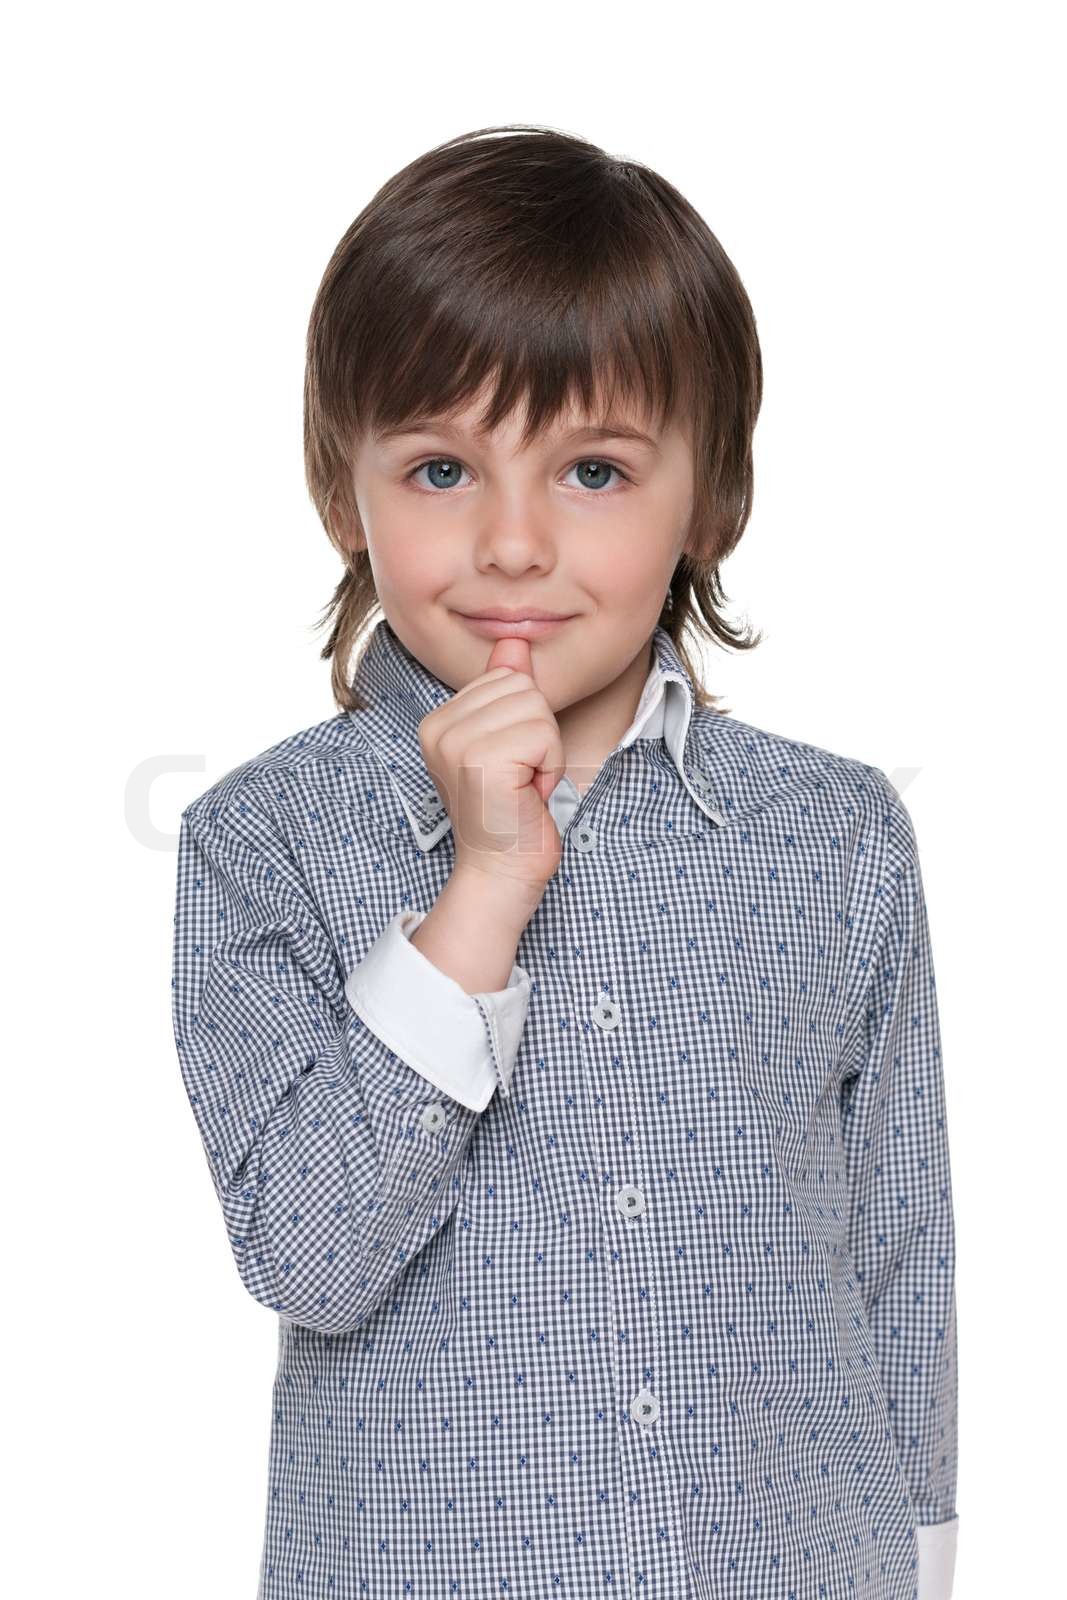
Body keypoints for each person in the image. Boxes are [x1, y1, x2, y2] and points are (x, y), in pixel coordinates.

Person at [171, 123, 959, 1600]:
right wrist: (479, 888)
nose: (514, 543)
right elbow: (308, 1256)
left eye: (594, 470)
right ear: (344, 494)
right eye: (439, 468)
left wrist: (919, 1552)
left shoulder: (836, 837)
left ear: (708, 499)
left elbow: (901, 1246)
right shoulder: (261, 842)